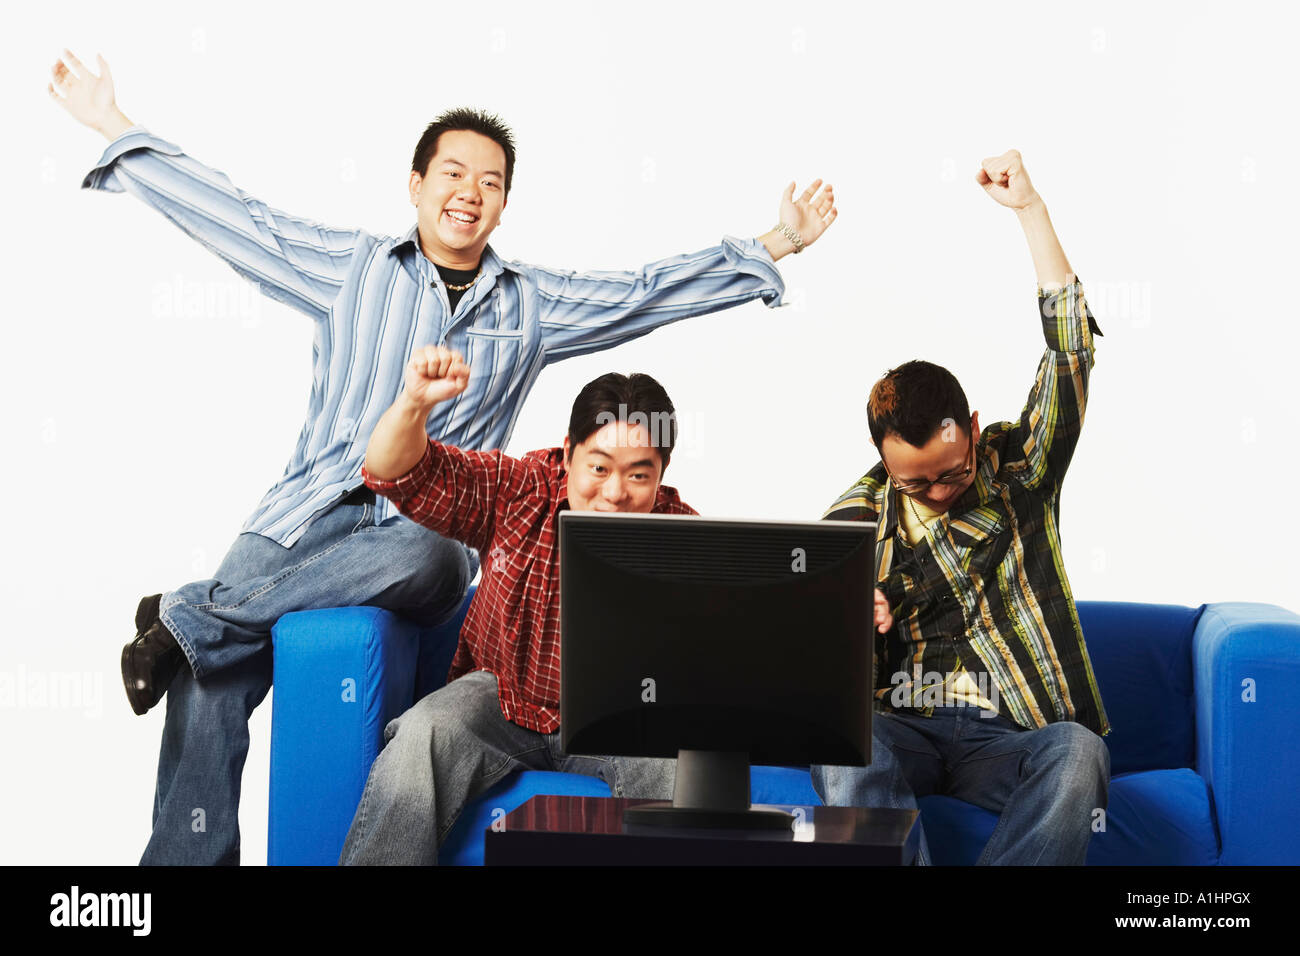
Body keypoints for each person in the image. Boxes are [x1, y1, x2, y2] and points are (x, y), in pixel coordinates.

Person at [47, 49, 837, 865]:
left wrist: (778, 241)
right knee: (205, 676)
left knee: (420, 553)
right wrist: (113, 123)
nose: (471, 192)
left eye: (491, 182)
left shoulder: (532, 305)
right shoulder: (351, 268)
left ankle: (188, 613)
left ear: (503, 205)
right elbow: (238, 217)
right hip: (304, 514)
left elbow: (642, 291)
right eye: (453, 174)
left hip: (424, 531)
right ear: (417, 184)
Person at [812, 150, 1110, 866]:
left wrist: (1031, 211)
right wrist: (850, 619)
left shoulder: (1020, 472)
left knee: (1078, 754)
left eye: (952, 473)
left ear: (972, 430)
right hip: (904, 726)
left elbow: (1070, 354)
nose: (939, 492)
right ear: (885, 464)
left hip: (1009, 732)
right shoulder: (853, 525)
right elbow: (804, 665)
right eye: (915, 484)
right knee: (845, 743)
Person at [338, 351, 691, 864]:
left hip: (619, 719)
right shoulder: (519, 491)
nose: (615, 493)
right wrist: (414, 403)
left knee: (675, 764)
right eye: (598, 467)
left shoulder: (683, 533)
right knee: (423, 733)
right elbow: (396, 473)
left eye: (640, 475)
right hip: (499, 697)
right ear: (568, 454)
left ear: (661, 475)